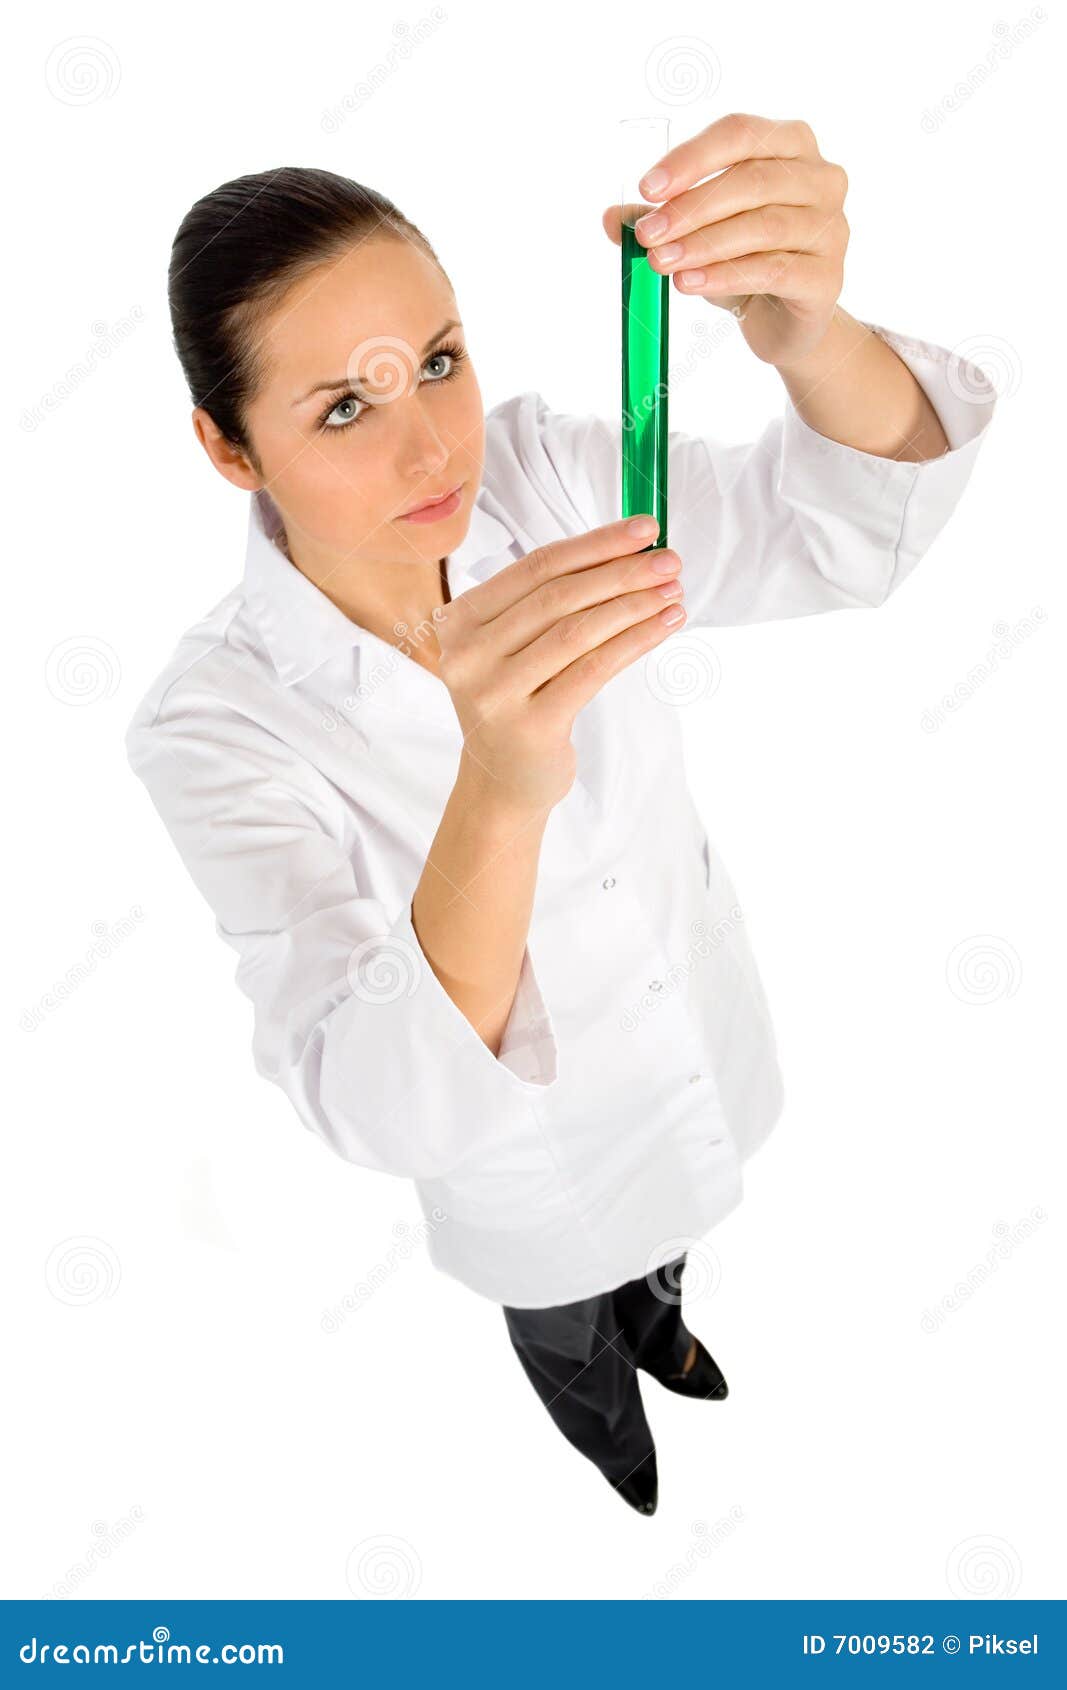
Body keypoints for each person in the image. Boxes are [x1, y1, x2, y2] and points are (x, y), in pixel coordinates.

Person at [125, 158, 995, 1516]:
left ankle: (664, 1314)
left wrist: (809, 331)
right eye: (344, 405)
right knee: (571, 1308)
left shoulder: (548, 474)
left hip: (695, 1024)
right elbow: (376, 1094)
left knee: (665, 1252)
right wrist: (503, 780)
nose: (434, 450)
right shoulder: (214, 725)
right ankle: (605, 1429)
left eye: (438, 361)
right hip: (532, 1175)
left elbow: (843, 538)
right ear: (230, 449)